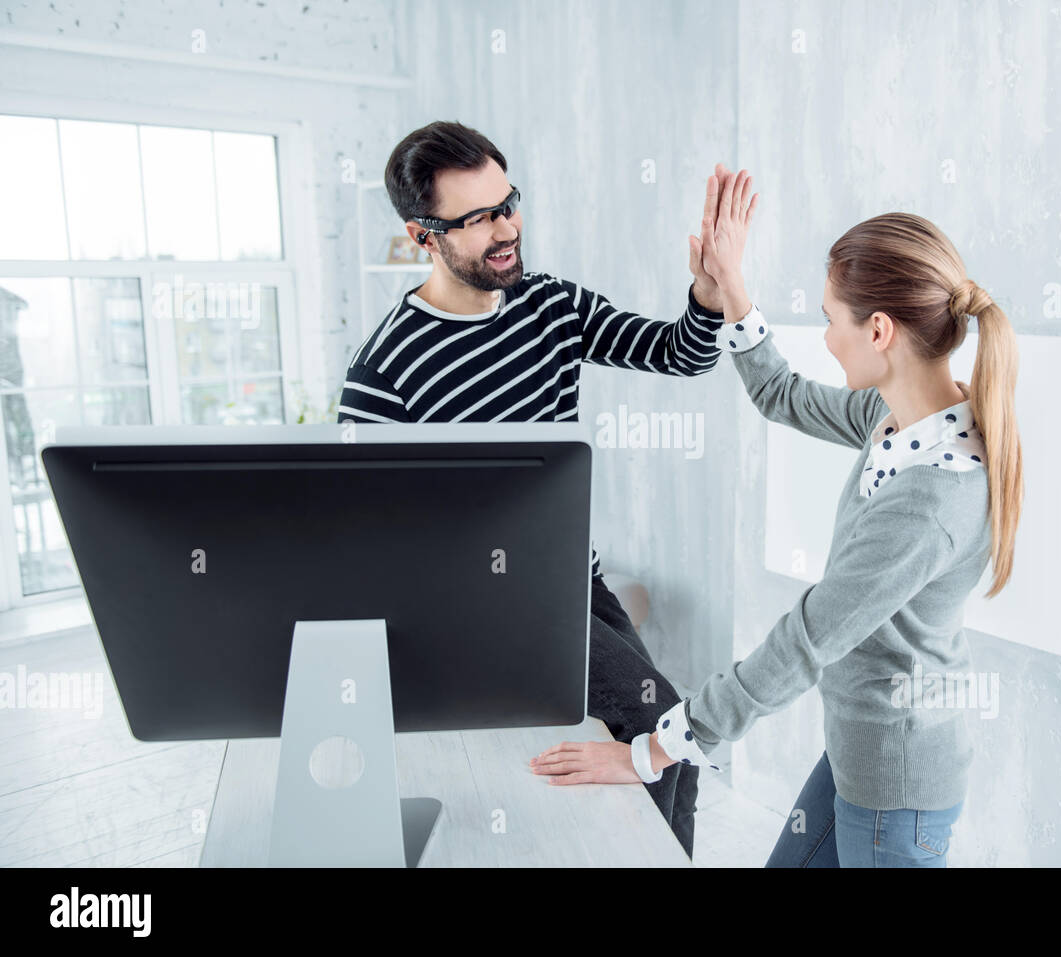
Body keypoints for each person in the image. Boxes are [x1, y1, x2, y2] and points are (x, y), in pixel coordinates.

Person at [531, 166, 1024, 867]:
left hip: (898, 782)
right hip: (859, 751)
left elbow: (803, 641)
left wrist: (649, 751)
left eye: (830, 319)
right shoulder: (900, 420)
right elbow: (782, 394)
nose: (825, 336)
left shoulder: (931, 500)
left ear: (879, 329)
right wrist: (728, 288)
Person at [337, 121, 738, 858]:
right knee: (666, 722)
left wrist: (708, 296)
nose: (506, 229)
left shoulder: (549, 305)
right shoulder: (384, 371)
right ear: (422, 236)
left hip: (572, 583)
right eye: (478, 218)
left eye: (508, 203)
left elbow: (680, 354)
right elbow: (359, 542)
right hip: (486, 611)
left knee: (672, 733)